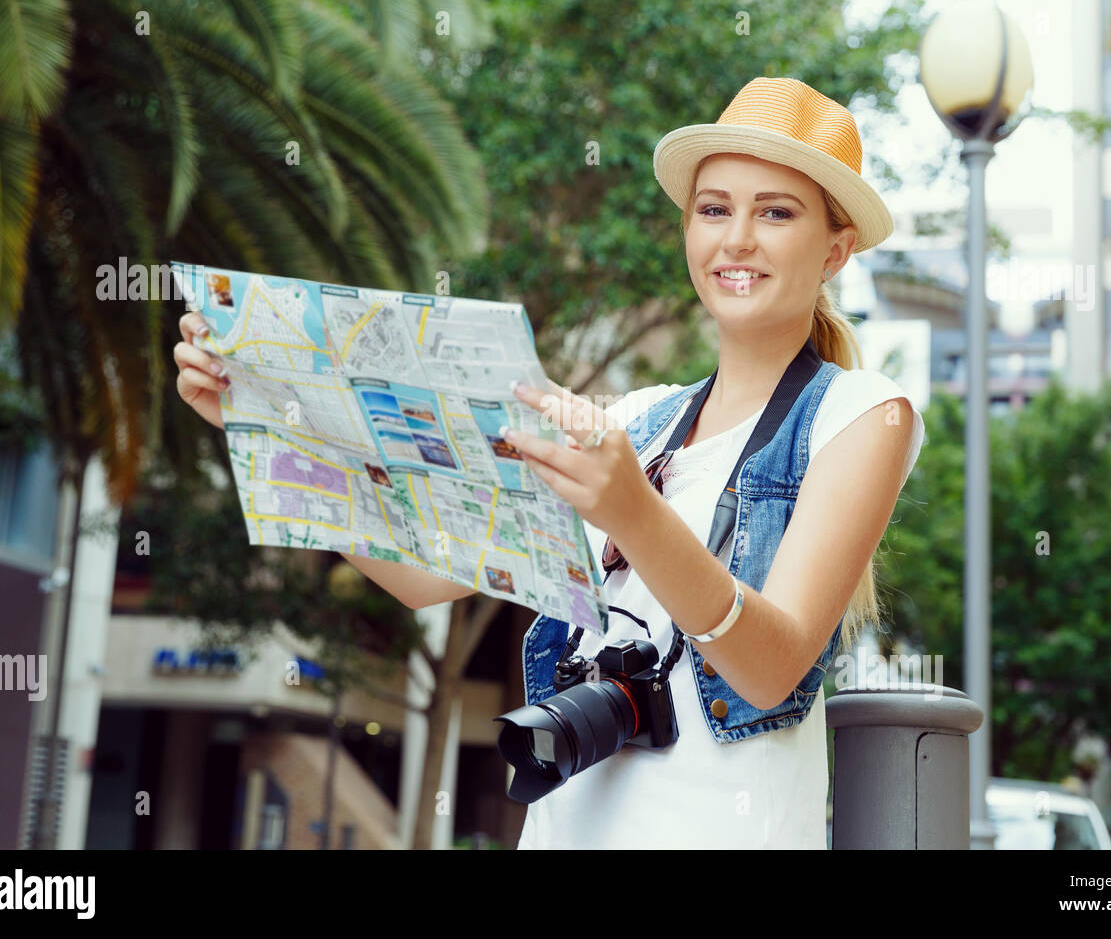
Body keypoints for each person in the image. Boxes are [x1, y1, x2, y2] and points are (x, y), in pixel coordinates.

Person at [174, 75, 925, 850]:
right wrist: (270, 426)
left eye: (776, 211)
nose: (736, 239)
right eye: (713, 209)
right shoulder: (639, 420)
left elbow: (770, 670)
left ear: (835, 250)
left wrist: (634, 513)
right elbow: (422, 576)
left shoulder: (864, 413)